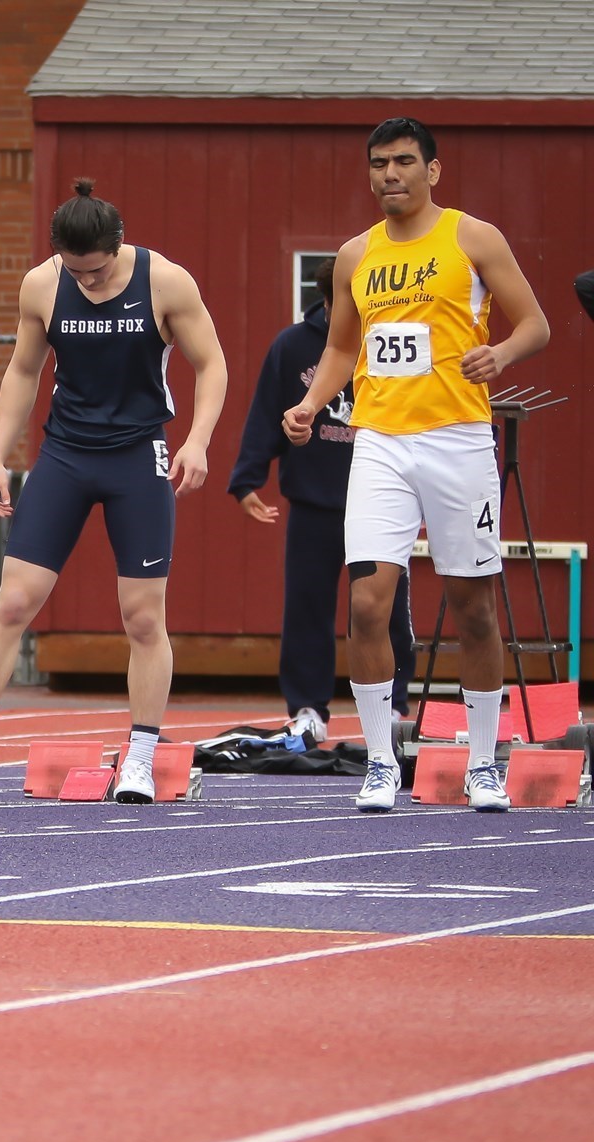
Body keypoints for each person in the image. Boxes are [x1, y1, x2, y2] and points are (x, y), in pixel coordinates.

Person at [284, 117, 550, 814]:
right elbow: (343, 346)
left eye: (404, 162)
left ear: (433, 170)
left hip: (459, 438)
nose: (390, 175)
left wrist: (503, 354)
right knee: (368, 603)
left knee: (473, 606)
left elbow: (535, 323)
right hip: (380, 442)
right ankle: (380, 763)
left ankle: (485, 764)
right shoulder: (354, 255)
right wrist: (312, 404)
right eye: (378, 164)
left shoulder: (473, 237)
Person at [0, 179, 227, 803]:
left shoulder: (166, 281)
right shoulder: (42, 285)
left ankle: (141, 759)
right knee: (14, 601)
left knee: (143, 616)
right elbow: (23, 370)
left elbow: (213, 363)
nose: (87, 284)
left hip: (136, 456)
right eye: (77, 274)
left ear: (117, 247)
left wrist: (198, 440)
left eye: (95, 274)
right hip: (65, 454)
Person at [229, 255, 416, 747]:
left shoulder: (390, 343)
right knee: (307, 606)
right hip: (313, 500)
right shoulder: (292, 346)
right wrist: (248, 480)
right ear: (327, 302)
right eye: (342, 305)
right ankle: (309, 708)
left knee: (387, 610)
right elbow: (268, 411)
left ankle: (394, 704)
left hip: (379, 500)